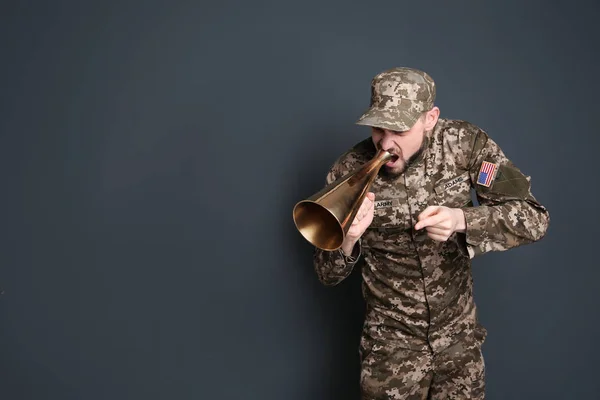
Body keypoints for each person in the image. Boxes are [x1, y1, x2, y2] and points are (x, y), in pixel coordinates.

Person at [312, 67, 550, 399]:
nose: (386, 143)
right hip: (390, 351)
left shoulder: (466, 145)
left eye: (400, 130)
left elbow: (534, 218)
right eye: (378, 129)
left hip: (459, 345)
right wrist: (348, 239)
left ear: (430, 118)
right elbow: (326, 273)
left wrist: (462, 220)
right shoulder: (348, 170)